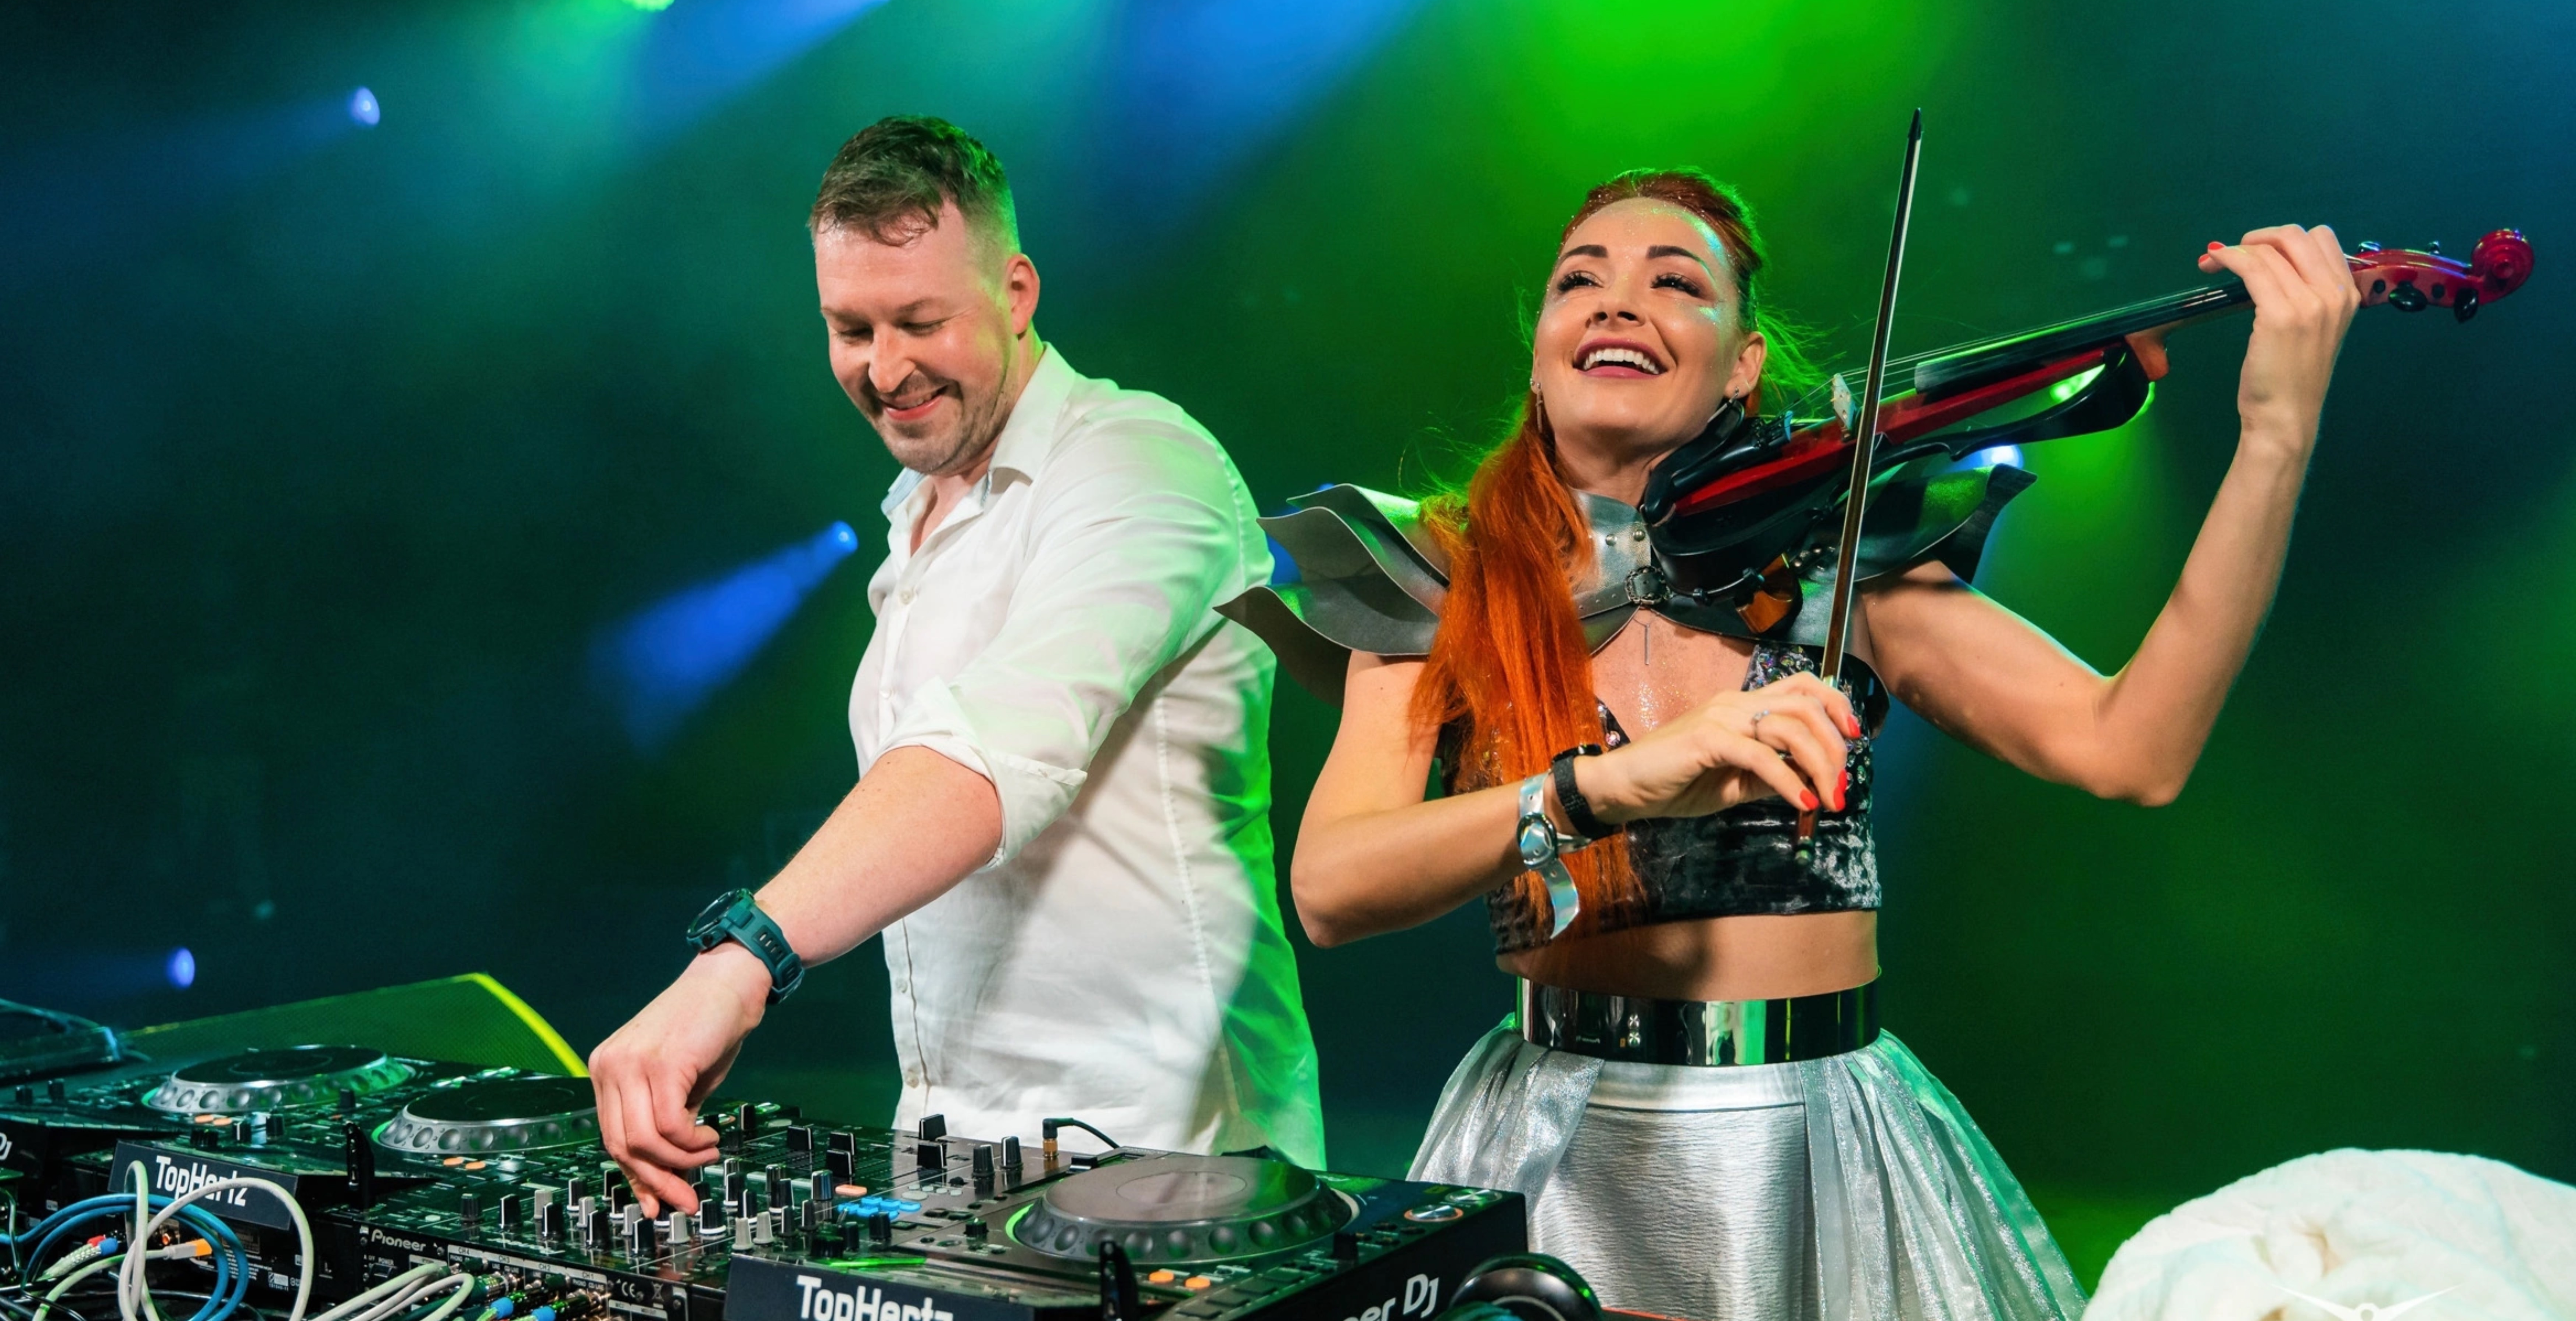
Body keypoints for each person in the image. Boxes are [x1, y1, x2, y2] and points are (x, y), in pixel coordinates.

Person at [1225, 168, 2358, 1318]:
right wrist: (1596, 790)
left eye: (1676, 284)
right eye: (1581, 281)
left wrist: (2276, 436)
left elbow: (2134, 750)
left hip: (1816, 1142)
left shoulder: (1835, 559)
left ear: (1745, 363)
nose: (1618, 301)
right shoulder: (1445, 573)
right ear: (1540, 355)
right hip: (1556, 1140)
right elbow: (1333, 888)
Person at [591, 117, 1322, 1216]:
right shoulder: (917, 514)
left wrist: (743, 959)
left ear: (1017, 293)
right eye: (851, 329)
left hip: (1176, 1166)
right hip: (960, 1165)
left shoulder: (1142, 460)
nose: (885, 369)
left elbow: (996, 746)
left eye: (921, 322)